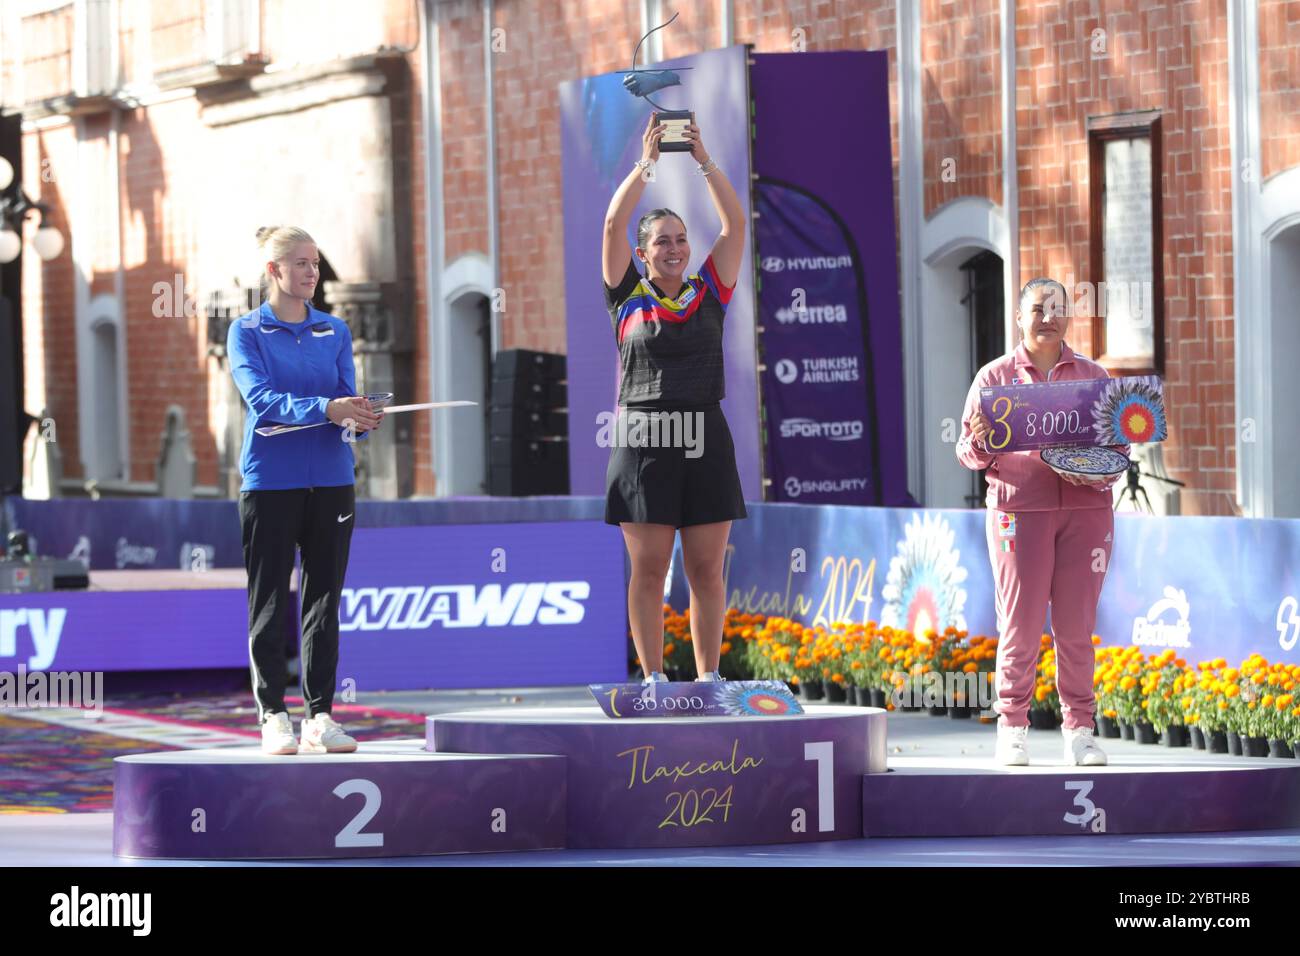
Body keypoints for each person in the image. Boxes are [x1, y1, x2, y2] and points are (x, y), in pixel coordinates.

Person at [957, 277, 1128, 767]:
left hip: (1086, 515)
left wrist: (1098, 467)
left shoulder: (1096, 378)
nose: (1047, 317)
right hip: (1018, 514)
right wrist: (985, 442)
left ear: (1069, 316)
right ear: (1019, 317)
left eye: (1057, 308)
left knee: (1076, 628)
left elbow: (1119, 450)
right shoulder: (993, 378)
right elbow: (968, 452)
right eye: (1037, 308)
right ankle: (1012, 727)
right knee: (1020, 625)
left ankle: (1080, 730)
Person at [601, 115, 747, 686]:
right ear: (642, 253)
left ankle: (709, 677)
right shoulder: (625, 296)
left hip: (706, 435)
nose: (675, 248)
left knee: (707, 569)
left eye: (682, 239)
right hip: (644, 439)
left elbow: (734, 224)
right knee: (650, 569)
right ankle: (655, 678)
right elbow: (614, 221)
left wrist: (704, 158)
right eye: (662, 240)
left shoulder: (710, 288)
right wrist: (648, 165)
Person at [228, 225, 383, 755]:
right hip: (270, 482)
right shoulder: (246, 332)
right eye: (300, 264)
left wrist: (360, 416)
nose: (312, 273)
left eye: (315, 264)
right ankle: (273, 714)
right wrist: (327, 410)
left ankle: (320, 716)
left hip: (334, 482)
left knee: (324, 601)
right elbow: (262, 401)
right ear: (273, 271)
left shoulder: (334, 331)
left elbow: (344, 399)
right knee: (269, 599)